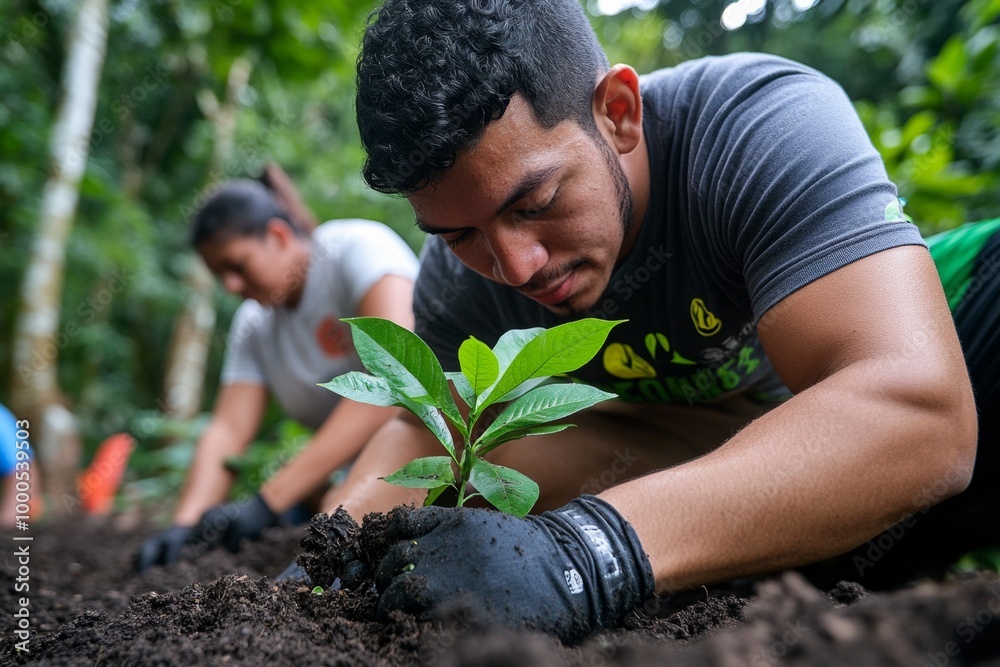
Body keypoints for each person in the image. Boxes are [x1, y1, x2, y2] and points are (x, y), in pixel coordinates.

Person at [309, 0, 999, 643]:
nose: (515, 266)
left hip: (957, 393)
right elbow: (418, 427)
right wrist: (324, 576)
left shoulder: (756, 124)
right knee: (485, 441)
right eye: (459, 234)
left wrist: (585, 555)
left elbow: (925, 418)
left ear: (619, 111)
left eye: (536, 202)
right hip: (754, 499)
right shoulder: (462, 277)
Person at [134, 177, 420, 571]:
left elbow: (396, 378)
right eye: (219, 275)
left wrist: (268, 501)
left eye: (237, 266)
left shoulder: (356, 250)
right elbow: (229, 432)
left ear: (278, 235)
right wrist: (184, 526)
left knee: (340, 520)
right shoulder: (254, 324)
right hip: (351, 469)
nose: (230, 285)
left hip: (431, 440)